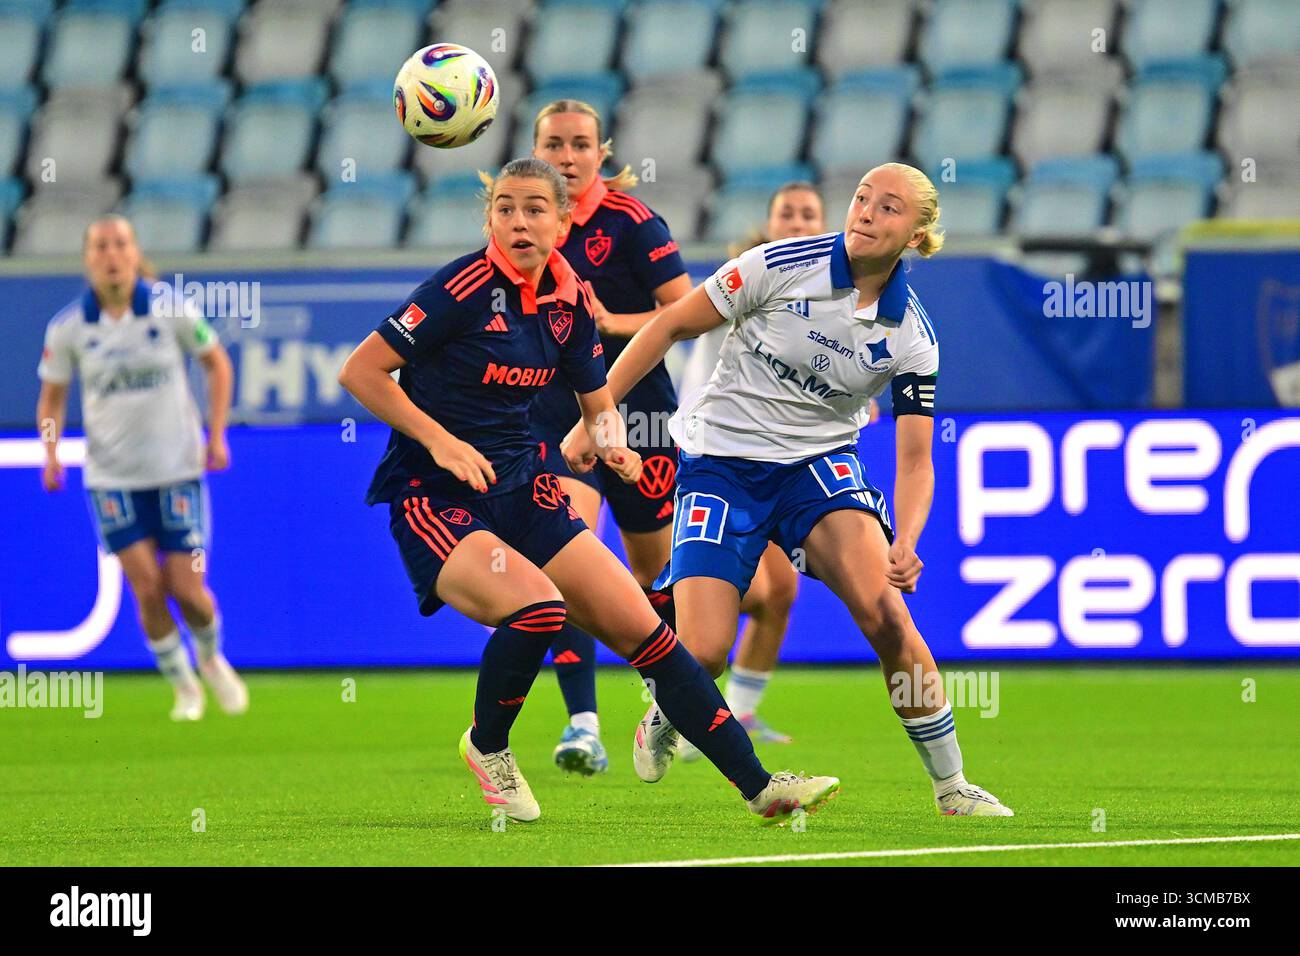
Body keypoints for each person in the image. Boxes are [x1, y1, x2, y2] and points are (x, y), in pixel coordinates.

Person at [337, 157, 840, 825]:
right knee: (540, 608)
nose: (519, 222)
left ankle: (761, 787)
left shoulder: (570, 298)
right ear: (489, 220)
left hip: (524, 489)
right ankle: (488, 746)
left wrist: (613, 443)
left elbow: (598, 403)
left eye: (534, 209)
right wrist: (440, 441)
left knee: (653, 638)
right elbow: (361, 370)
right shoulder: (459, 287)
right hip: (435, 498)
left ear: (563, 219)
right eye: (505, 209)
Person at [563, 163, 1013, 816]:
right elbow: (667, 326)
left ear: (917, 235)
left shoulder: (913, 337)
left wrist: (907, 539)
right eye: (861, 198)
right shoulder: (777, 264)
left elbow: (917, 460)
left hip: (817, 469)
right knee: (704, 652)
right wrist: (599, 417)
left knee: (887, 616)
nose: (866, 212)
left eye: (889, 207)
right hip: (722, 463)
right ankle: (668, 707)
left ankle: (953, 787)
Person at [677, 181, 879, 755]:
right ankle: (674, 666)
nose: (796, 222)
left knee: (781, 591)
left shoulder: (837, 296)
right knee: (747, 590)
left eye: (807, 214)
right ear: (767, 225)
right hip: (720, 456)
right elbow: (678, 323)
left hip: (785, 463)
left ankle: (735, 710)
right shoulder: (752, 277)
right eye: (786, 213)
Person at [530, 100, 693, 775]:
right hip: (552, 415)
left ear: (602, 153)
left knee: (655, 575)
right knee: (566, 558)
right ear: (536, 151)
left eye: (580, 144)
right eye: (554, 144)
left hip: (639, 413)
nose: (567, 157)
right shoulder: (527, 223)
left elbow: (686, 309)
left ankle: (668, 704)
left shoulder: (632, 222)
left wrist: (610, 322)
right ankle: (583, 724)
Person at [36, 215, 248, 721]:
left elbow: (217, 363)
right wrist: (50, 450)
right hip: (113, 480)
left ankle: (210, 657)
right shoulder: (68, 328)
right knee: (148, 589)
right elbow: (52, 398)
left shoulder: (170, 309)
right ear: (88, 258)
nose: (111, 254)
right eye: (101, 246)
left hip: (176, 470)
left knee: (188, 590)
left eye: (120, 244)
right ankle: (184, 687)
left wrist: (217, 433)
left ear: (134, 254)